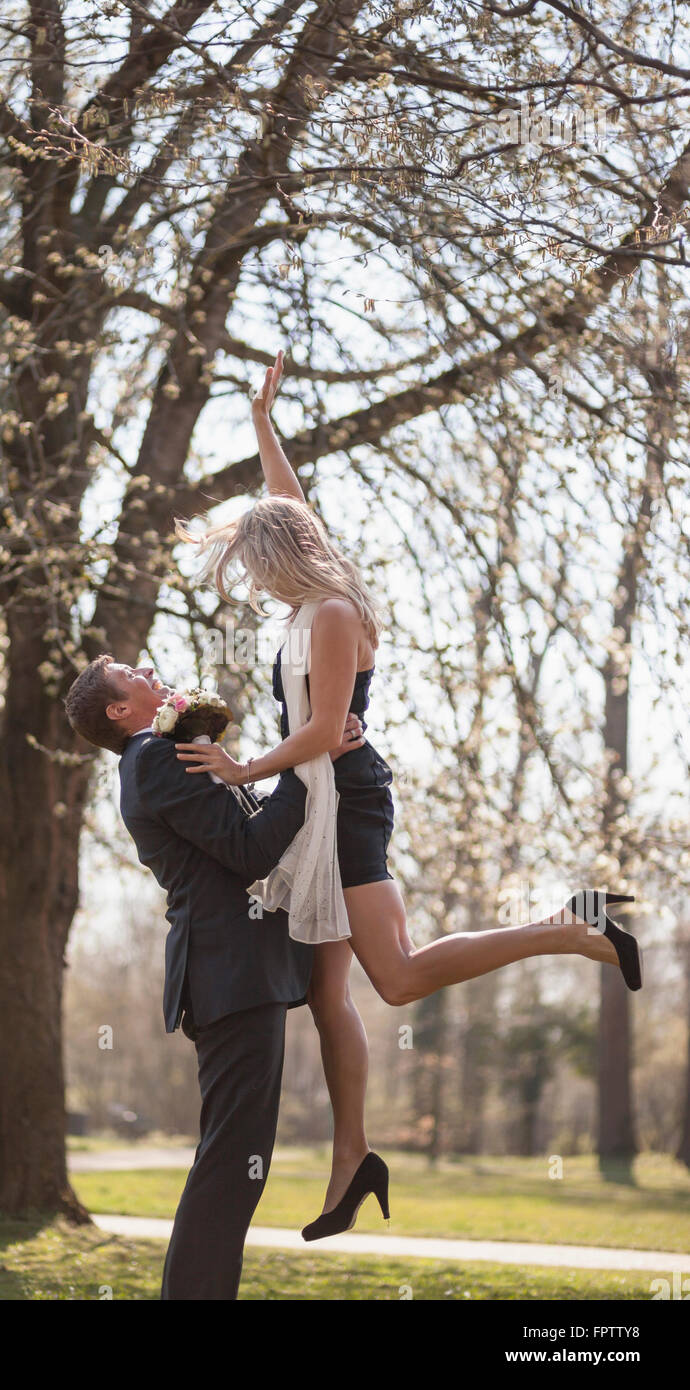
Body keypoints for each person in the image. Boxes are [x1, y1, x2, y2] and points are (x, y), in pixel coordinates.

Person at [171, 346, 644, 1241]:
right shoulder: (316, 598)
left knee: (396, 976)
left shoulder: (334, 613)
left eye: (259, 566)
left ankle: (571, 927)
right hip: (315, 801)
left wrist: (243, 768)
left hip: (343, 799)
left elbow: (324, 730)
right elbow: (291, 506)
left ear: (283, 559)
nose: (257, 584)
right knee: (327, 994)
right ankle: (352, 1160)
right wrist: (264, 423)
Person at [63, 656, 365, 1298]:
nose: (148, 668)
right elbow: (252, 850)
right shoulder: (153, 759)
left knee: (232, 1161)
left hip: (236, 974)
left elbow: (247, 833)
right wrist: (311, 762)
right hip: (230, 972)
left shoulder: (161, 756)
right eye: (131, 673)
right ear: (120, 710)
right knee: (232, 1163)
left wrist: (308, 761)